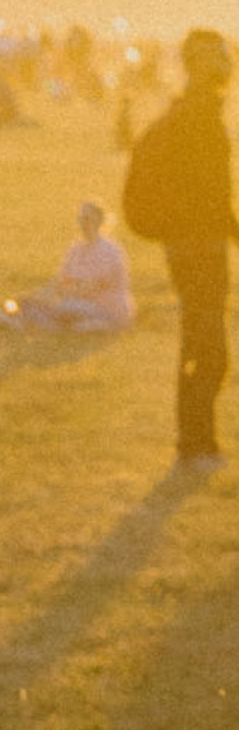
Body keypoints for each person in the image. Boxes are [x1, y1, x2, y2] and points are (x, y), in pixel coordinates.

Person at [140, 29, 237, 464]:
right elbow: (211, 197)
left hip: (193, 246)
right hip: (199, 249)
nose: (229, 63)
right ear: (199, 62)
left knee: (199, 343)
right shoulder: (199, 115)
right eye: (220, 56)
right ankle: (195, 441)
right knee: (208, 349)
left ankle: (197, 439)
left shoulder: (195, 110)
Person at [13, 200, 137, 334]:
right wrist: (39, 294)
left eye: (87, 218)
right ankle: (33, 320)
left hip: (106, 309)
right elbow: (60, 281)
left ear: (100, 221)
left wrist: (61, 297)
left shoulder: (110, 250)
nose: (83, 223)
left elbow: (95, 286)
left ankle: (81, 325)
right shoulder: (75, 250)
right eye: (81, 218)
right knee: (32, 305)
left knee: (64, 308)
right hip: (78, 304)